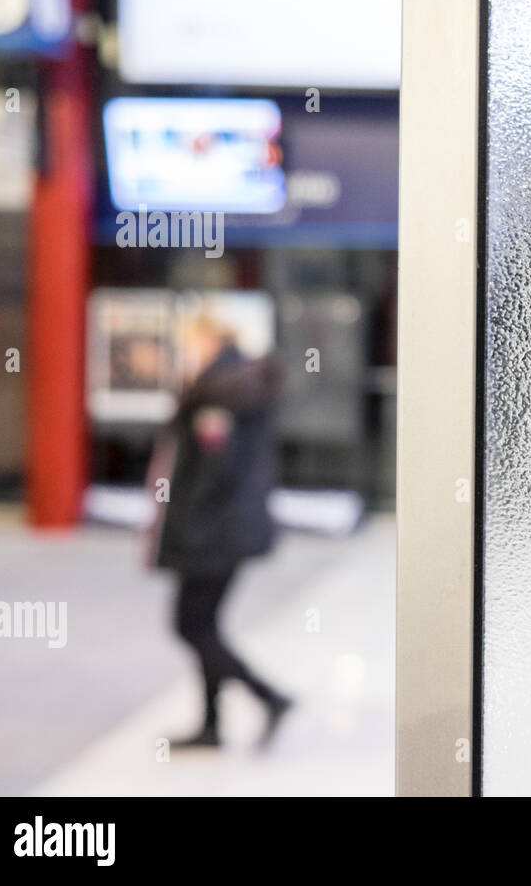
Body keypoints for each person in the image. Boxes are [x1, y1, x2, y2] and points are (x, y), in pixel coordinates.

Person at [148, 313, 292, 749]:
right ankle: (211, 725)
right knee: (203, 624)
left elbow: (216, 470)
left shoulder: (218, 392)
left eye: (189, 344)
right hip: (227, 530)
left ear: (208, 340)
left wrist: (188, 528)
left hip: (212, 533)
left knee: (190, 625)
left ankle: (269, 697)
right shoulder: (233, 384)